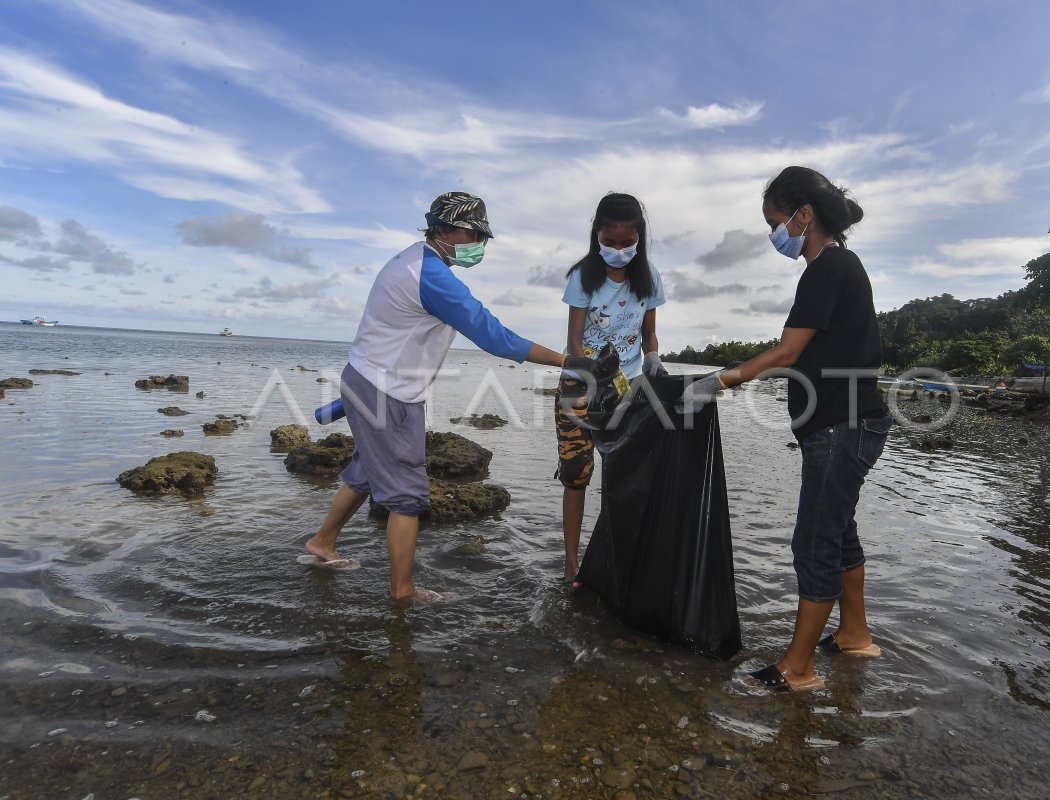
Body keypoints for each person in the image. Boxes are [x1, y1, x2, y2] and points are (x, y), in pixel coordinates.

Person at [304, 191, 595, 599]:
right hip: (387, 393)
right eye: (475, 235)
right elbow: (493, 335)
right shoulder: (432, 278)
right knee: (407, 497)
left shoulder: (413, 258)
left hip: (365, 380)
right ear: (447, 229)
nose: (480, 245)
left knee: (369, 470)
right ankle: (403, 592)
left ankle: (323, 543)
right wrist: (567, 361)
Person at [680, 166, 891, 692]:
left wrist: (716, 382)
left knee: (814, 541)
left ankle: (797, 669)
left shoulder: (826, 269)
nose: (775, 233)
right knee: (839, 532)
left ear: (804, 214)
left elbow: (787, 352)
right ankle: (854, 634)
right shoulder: (841, 264)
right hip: (852, 421)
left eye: (775, 221)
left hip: (840, 427)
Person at [557, 193, 667, 584]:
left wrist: (652, 359)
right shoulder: (584, 276)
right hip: (581, 385)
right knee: (577, 474)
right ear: (597, 235)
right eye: (610, 243)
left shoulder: (649, 277)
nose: (618, 250)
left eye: (626, 243)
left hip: (626, 387)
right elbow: (573, 341)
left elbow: (650, 335)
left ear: (639, 238)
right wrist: (591, 377)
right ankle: (571, 564)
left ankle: (615, 559)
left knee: (621, 474)